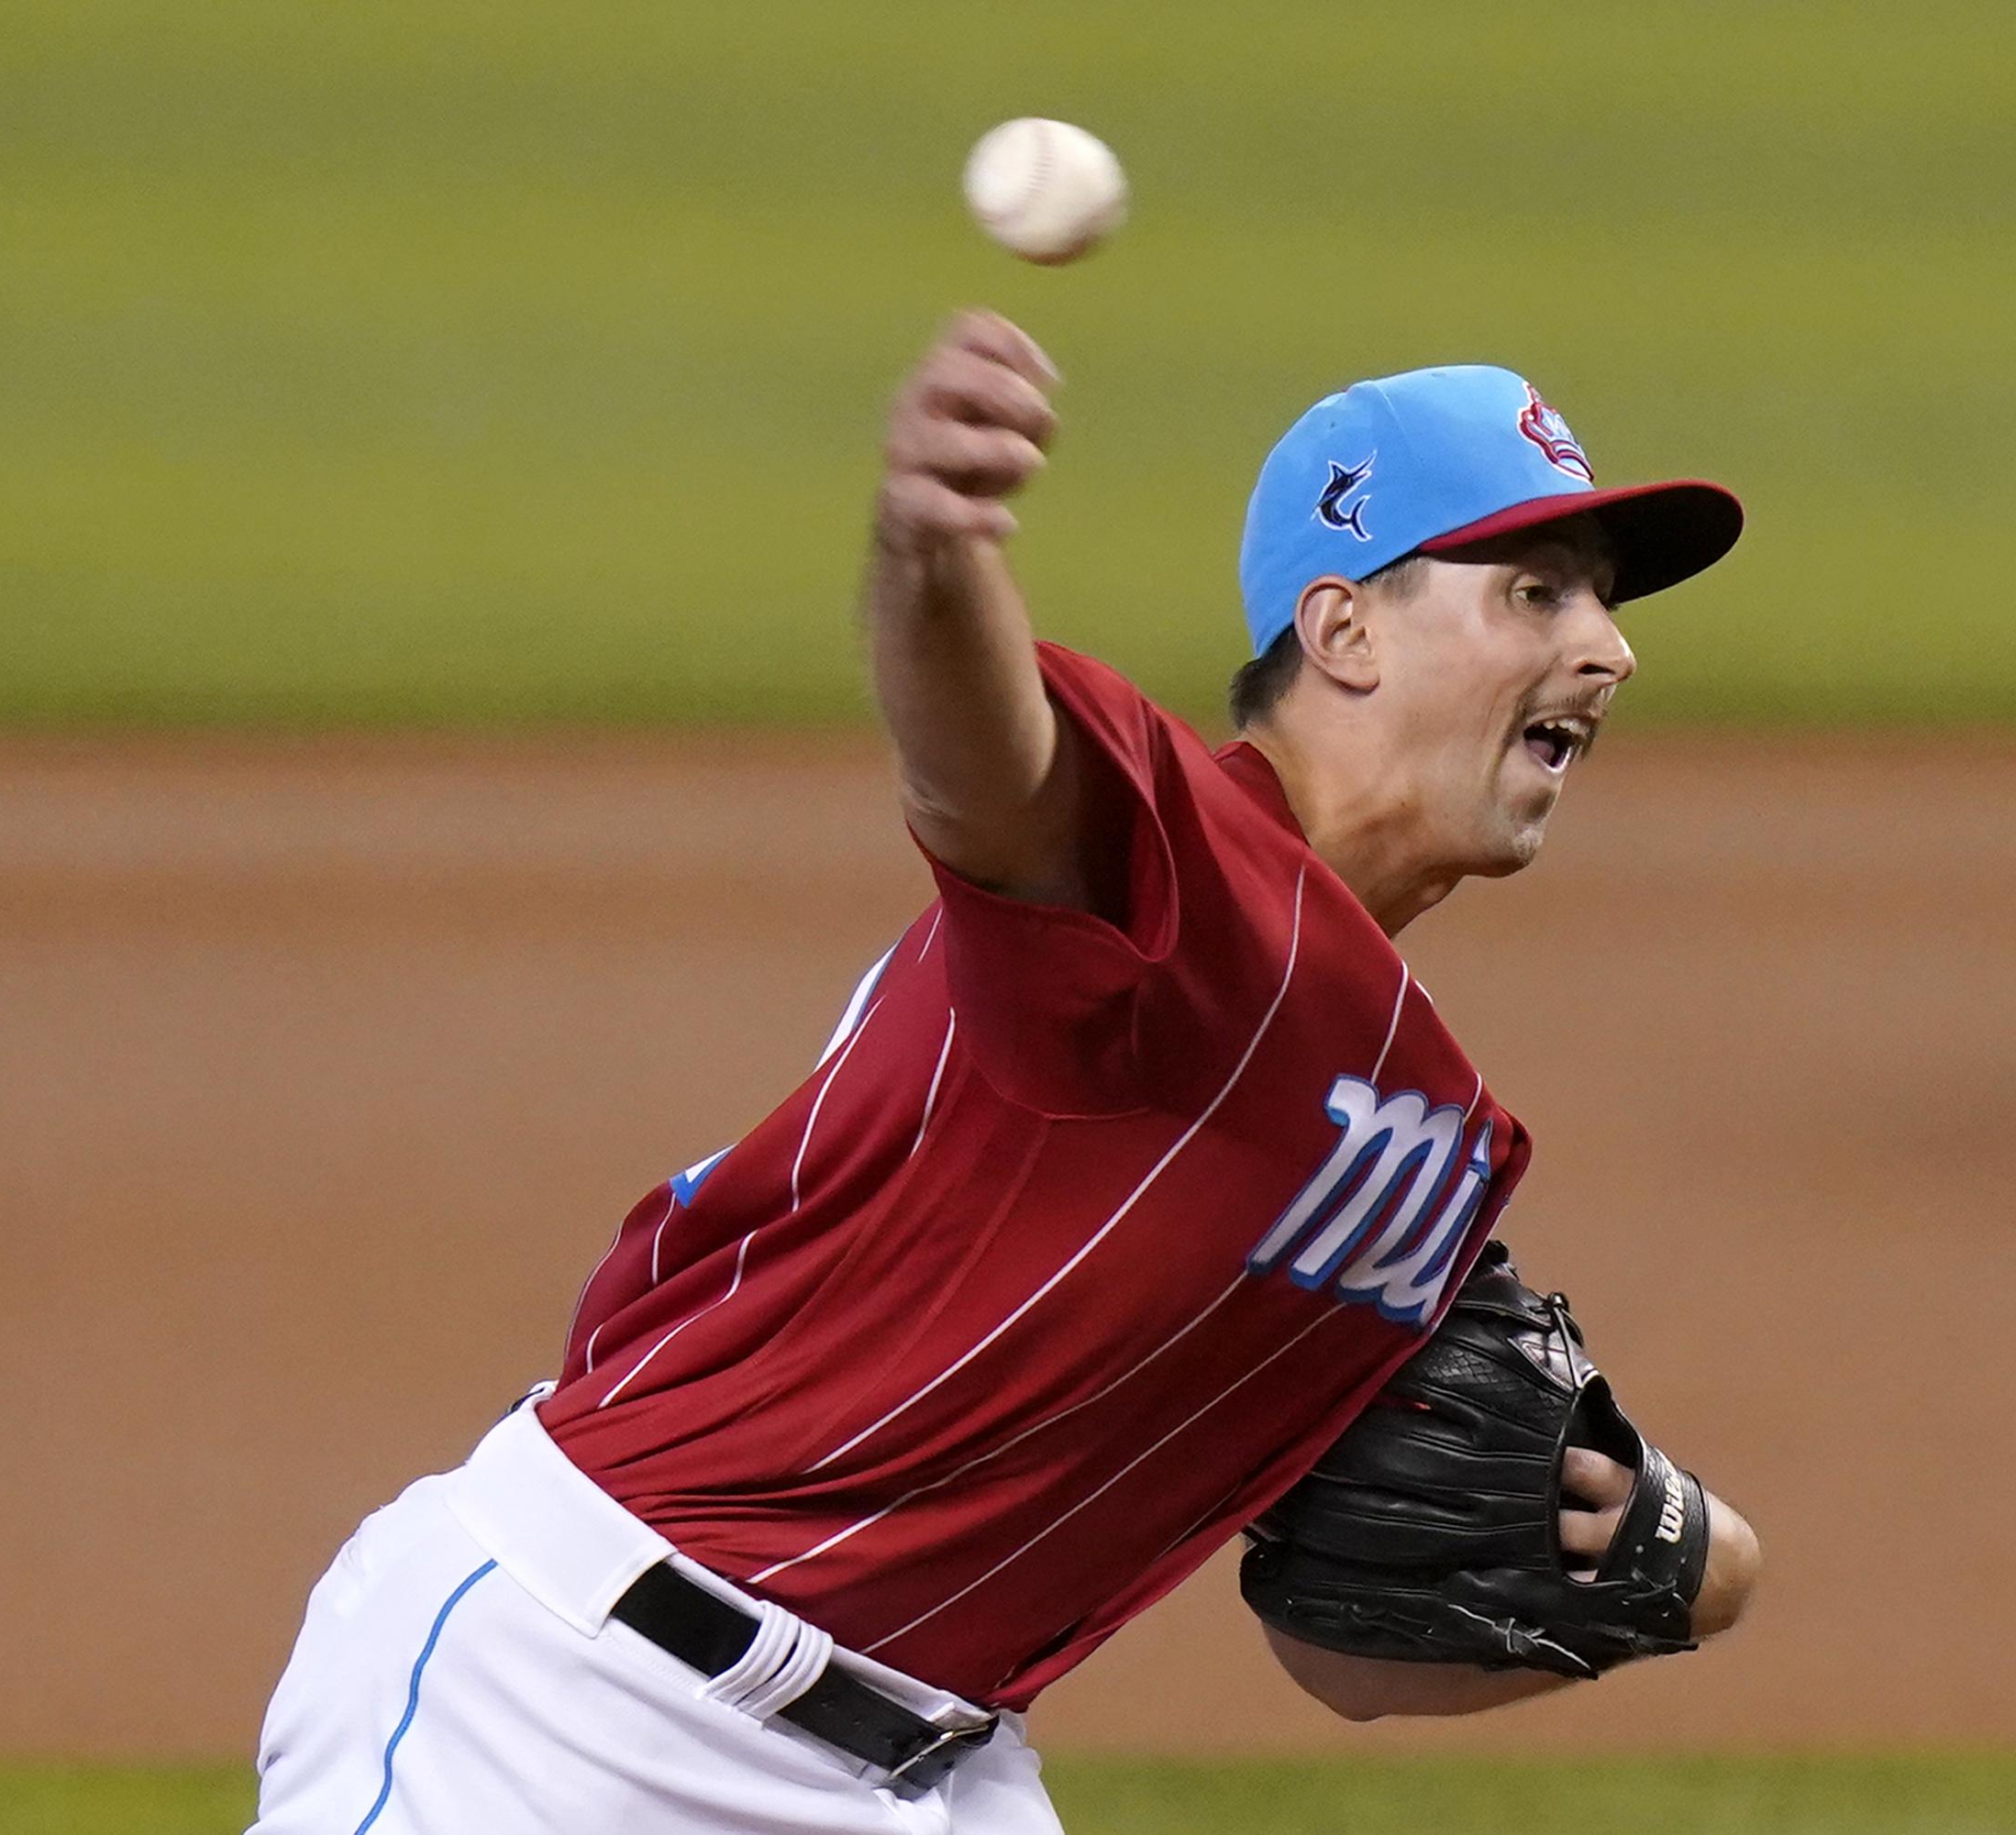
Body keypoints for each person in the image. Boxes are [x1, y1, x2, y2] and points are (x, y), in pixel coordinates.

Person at [248, 311, 1763, 1835]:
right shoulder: (1175, 864)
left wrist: (1687, 1572)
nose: (1608, 646)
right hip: (571, 1713)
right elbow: (983, 766)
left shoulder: (1431, 1140)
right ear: (1343, 629)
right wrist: (931, 552)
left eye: (1606, 601)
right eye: (1534, 588)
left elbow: (1348, 1645)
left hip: (936, 1779)